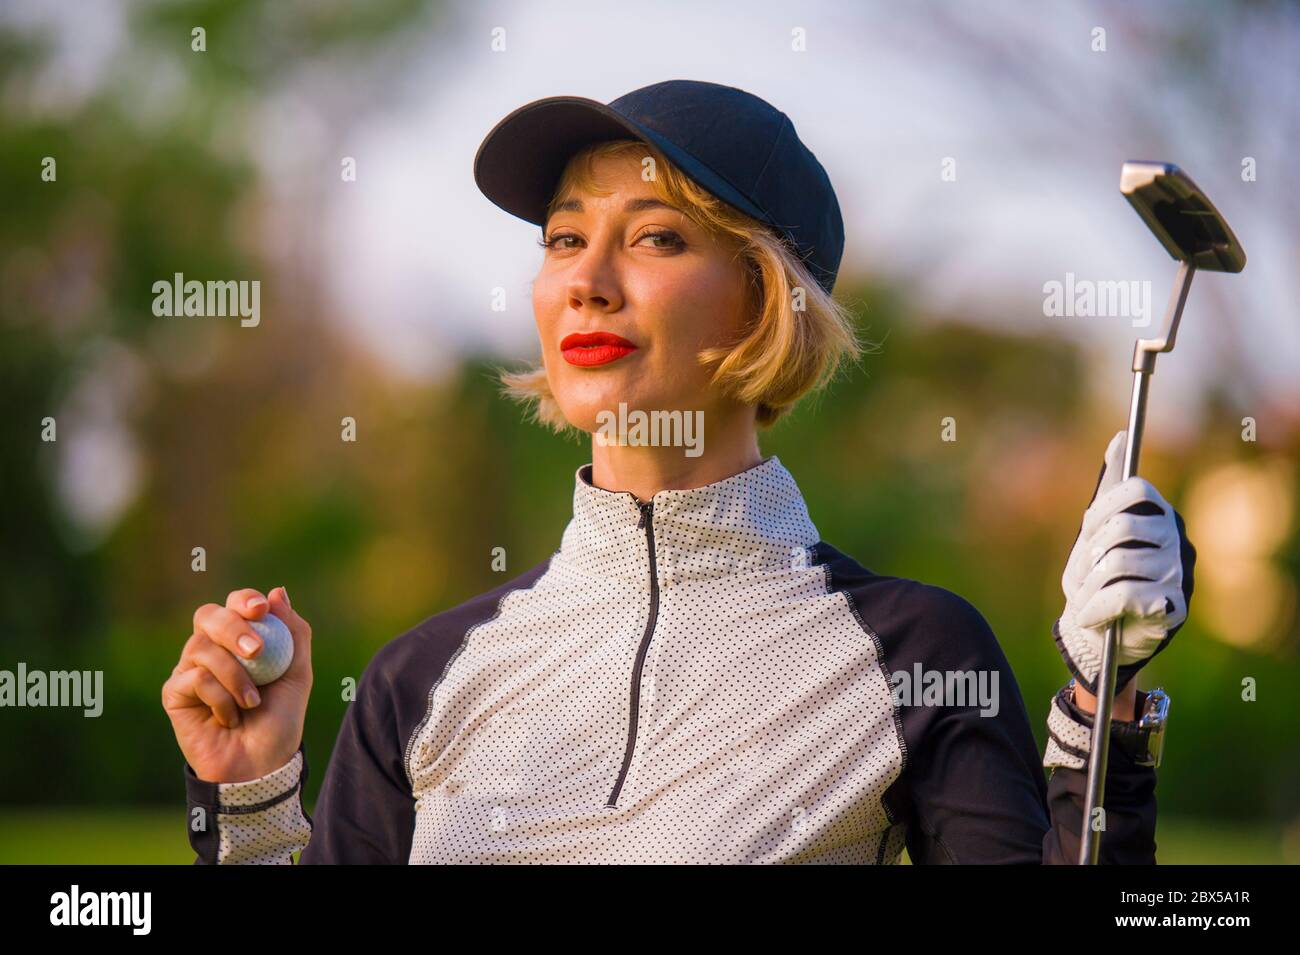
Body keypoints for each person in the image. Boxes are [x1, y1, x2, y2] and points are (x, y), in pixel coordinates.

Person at [162, 80, 1195, 864]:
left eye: (654, 236)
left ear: (762, 298)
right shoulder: (416, 679)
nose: (586, 281)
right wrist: (251, 802)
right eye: (565, 237)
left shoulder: (913, 650)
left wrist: (1103, 712)